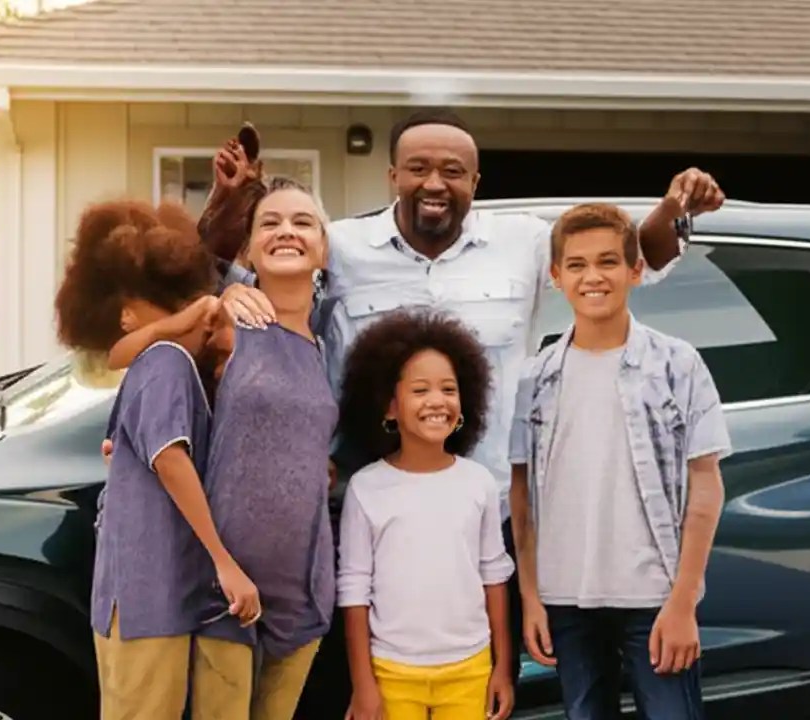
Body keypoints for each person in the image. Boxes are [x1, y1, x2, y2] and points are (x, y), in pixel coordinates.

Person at [210, 110, 726, 681]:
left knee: (477, 684)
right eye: (418, 168)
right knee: (369, 685)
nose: (435, 182)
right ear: (392, 177)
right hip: (367, 515)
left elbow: (630, 258)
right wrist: (226, 287)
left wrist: (674, 209)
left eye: (453, 171)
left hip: (491, 516)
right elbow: (269, 299)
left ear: (476, 184)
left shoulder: (527, 242)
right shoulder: (343, 246)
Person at [508, 203, 731, 719]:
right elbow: (522, 495)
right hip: (565, 599)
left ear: (635, 271)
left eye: (608, 262)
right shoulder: (534, 379)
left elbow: (706, 485)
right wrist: (533, 597)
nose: (593, 277)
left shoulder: (677, 364)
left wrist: (683, 602)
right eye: (578, 265)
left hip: (654, 595)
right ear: (556, 276)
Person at [53, 199, 259, 719]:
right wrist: (225, 561)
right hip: (149, 595)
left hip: (147, 592)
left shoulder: (157, 363)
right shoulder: (166, 361)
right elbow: (171, 461)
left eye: (133, 301)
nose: (122, 316)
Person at [183, 176, 338, 719]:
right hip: (226, 587)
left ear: (324, 247)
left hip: (303, 589)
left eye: (303, 222)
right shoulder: (225, 323)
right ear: (248, 250)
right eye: (269, 223)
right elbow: (150, 369)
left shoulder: (329, 344)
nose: (287, 232)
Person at [336, 309, 516, 720]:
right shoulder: (366, 489)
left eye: (448, 389)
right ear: (388, 407)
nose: (437, 401)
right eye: (420, 390)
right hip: (391, 672)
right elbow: (353, 590)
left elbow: (494, 576)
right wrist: (364, 686)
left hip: (469, 669)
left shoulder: (479, 483)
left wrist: (501, 668)